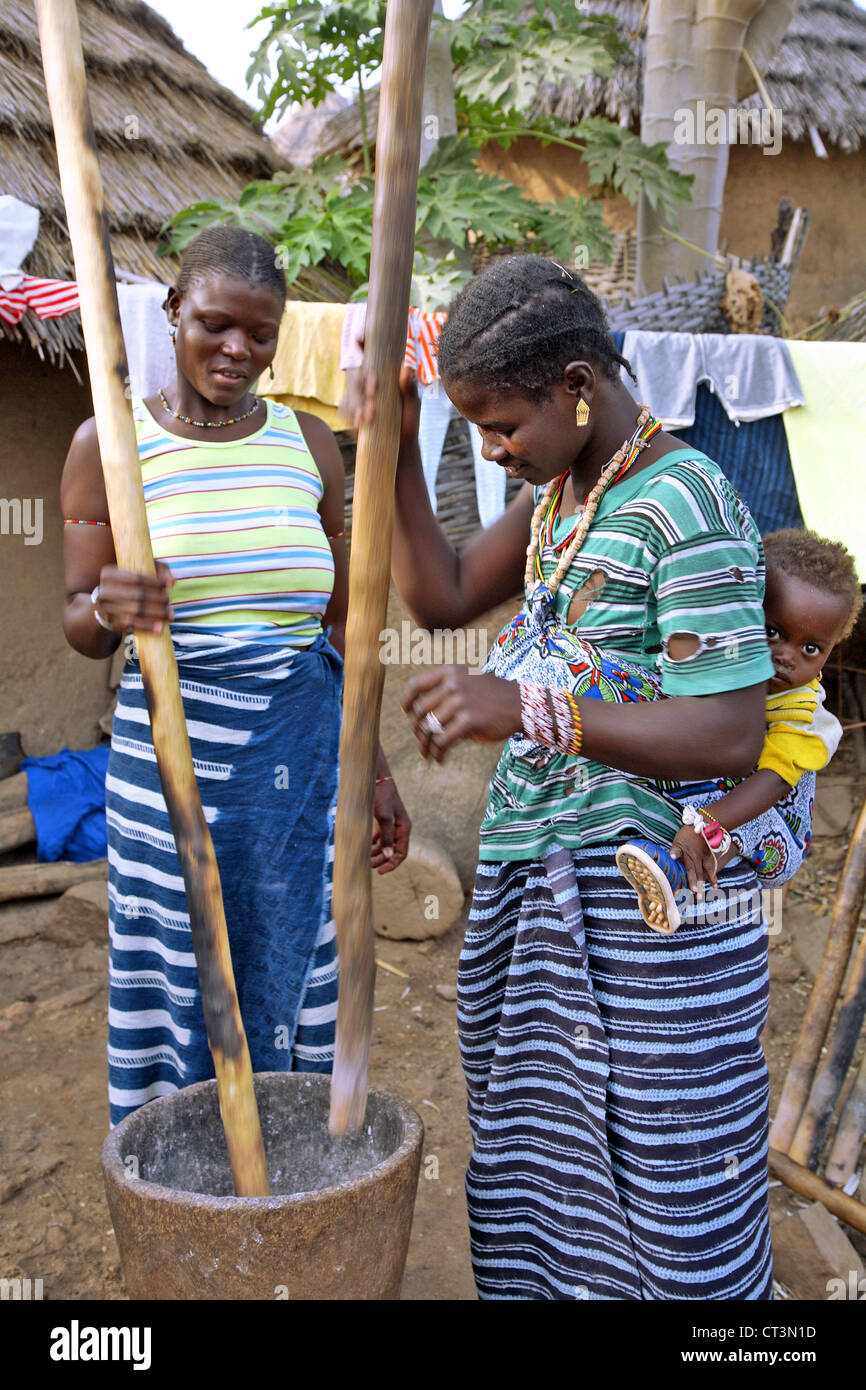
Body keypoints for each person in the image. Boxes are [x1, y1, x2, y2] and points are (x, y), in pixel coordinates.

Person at [350, 253, 784, 1299]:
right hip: (547, 878)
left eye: (501, 426)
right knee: (544, 1153)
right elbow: (444, 592)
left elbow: (729, 730)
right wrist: (399, 449)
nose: (494, 452)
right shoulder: (565, 496)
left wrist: (530, 707)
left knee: (667, 1164)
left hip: (653, 910)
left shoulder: (682, 498)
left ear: (577, 386)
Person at [61, 226, 410, 1126]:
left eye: (261, 334)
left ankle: (291, 1170)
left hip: (299, 770)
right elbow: (77, 622)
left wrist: (371, 769)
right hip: (170, 769)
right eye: (215, 325)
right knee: (179, 979)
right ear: (173, 312)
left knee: (298, 966)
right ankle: (182, 1182)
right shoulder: (112, 443)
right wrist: (111, 605)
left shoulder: (308, 445)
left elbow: (337, 628)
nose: (237, 351)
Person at [616, 528, 861, 931]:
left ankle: (677, 872)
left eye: (811, 649)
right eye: (771, 631)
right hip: (727, 794)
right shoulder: (716, 653)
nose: (786, 657)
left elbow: (773, 785)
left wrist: (704, 826)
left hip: (776, 831)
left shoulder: (802, 714)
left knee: (736, 817)